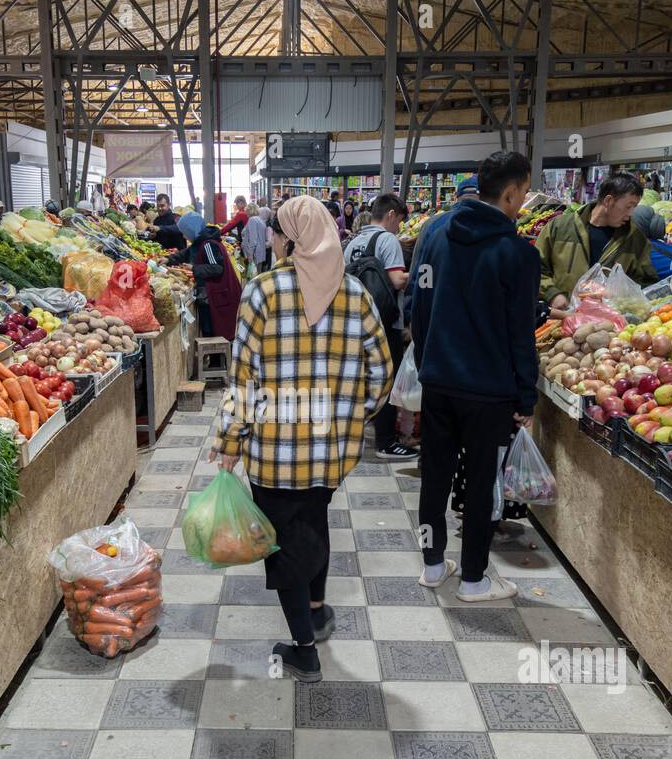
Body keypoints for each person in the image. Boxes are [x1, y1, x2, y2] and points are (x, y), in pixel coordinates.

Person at [209, 195, 391, 682]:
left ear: (291, 238)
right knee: (314, 519)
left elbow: (244, 379)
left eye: (276, 231)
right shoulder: (355, 294)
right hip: (329, 451)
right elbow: (382, 371)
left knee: (284, 544)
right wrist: (353, 416)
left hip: (273, 451)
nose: (271, 238)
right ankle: (316, 606)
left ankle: (303, 649)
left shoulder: (262, 293)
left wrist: (229, 442)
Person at [409, 150, 540, 603]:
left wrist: (429, 361)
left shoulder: (435, 233)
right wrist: (526, 395)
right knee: (480, 484)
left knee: (435, 477)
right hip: (489, 390)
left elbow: (417, 304)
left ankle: (431, 564)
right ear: (509, 192)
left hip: (438, 380)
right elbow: (520, 333)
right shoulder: (518, 253)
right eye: (523, 192)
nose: (523, 200)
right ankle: (473, 579)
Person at [344, 193, 413, 460]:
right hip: (385, 322)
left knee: (361, 377)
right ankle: (386, 442)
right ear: (391, 215)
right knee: (385, 377)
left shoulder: (351, 241)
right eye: (399, 222)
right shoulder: (388, 240)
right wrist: (415, 273)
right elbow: (396, 280)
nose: (399, 228)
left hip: (356, 321)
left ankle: (356, 432)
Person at [536, 171, 657, 319]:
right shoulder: (560, 228)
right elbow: (535, 268)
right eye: (628, 206)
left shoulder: (635, 239)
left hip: (608, 328)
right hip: (561, 320)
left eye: (634, 207)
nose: (631, 213)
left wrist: (621, 296)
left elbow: (647, 283)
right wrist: (552, 294)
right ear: (608, 201)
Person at [165, 211, 243, 339]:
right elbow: (187, 253)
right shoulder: (201, 241)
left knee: (215, 333)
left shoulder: (208, 244)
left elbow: (217, 268)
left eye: (185, 232)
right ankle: (215, 357)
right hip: (214, 295)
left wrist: (195, 268)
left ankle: (217, 359)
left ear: (192, 230)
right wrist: (169, 259)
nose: (184, 236)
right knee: (211, 332)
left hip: (218, 296)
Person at [240, 204, 268, 277]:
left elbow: (253, 240)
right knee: (258, 275)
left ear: (249, 211)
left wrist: (250, 255)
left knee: (252, 277)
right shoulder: (260, 220)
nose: (246, 214)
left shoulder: (252, 220)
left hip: (254, 255)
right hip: (260, 253)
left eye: (247, 211)